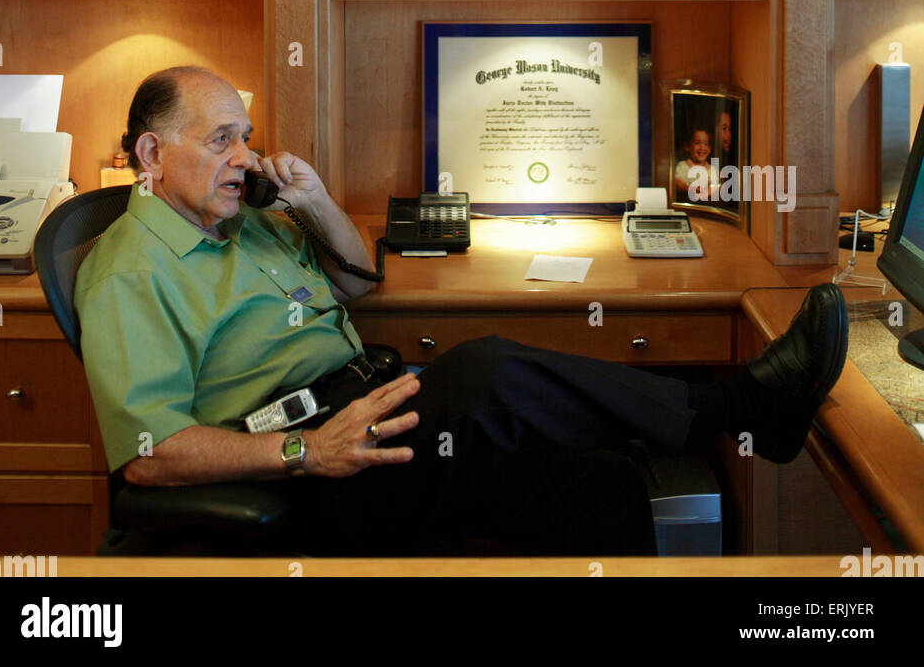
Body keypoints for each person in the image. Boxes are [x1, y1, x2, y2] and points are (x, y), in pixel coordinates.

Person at [74, 66, 850, 557]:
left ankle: (731, 412)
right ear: (150, 155)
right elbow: (148, 453)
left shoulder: (247, 222)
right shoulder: (128, 272)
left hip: (369, 411)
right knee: (483, 370)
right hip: (311, 470)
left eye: (245, 137)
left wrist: (311, 202)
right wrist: (307, 451)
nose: (244, 157)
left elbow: (356, 285)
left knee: (601, 485)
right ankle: (735, 405)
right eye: (220, 141)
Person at [674, 127, 720, 202]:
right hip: (687, 203)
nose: (702, 147)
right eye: (697, 143)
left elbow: (715, 186)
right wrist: (688, 188)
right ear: (687, 146)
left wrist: (705, 193)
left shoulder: (712, 169)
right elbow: (677, 182)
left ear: (710, 148)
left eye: (706, 144)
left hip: (706, 204)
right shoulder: (682, 166)